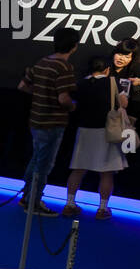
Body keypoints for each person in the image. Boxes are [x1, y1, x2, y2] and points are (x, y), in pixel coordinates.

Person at [17, 27, 78, 216]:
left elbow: (22, 86)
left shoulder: (42, 62)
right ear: (74, 46)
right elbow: (63, 99)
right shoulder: (65, 67)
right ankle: (33, 203)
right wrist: (73, 106)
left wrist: (42, 95)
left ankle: (27, 197)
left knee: (36, 159)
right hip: (53, 124)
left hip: (35, 120)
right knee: (44, 165)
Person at [63, 57, 129, 220]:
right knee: (107, 173)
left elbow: (73, 103)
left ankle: (70, 204)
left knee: (78, 169)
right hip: (106, 132)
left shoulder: (80, 84)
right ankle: (102, 209)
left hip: (84, 130)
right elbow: (124, 103)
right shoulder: (112, 83)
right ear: (107, 69)